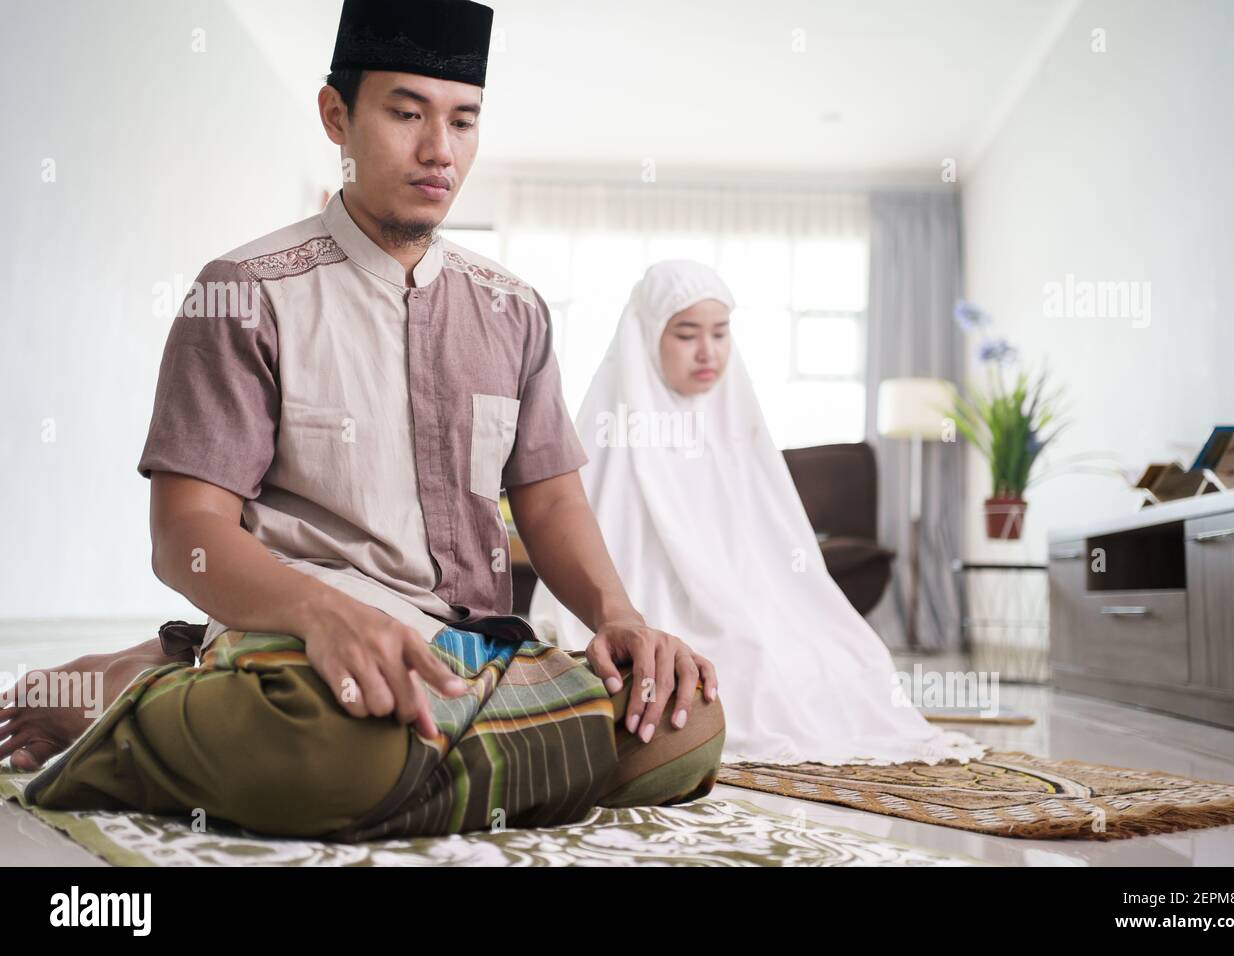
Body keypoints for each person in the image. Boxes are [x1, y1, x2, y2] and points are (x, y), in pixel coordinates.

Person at [0, 0, 724, 840]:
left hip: (475, 657)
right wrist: (319, 612)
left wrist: (621, 620)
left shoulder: (515, 311)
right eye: (406, 113)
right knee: (342, 752)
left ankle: (229, 697)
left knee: (684, 730)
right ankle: (127, 701)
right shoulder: (246, 293)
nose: (438, 151)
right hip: (305, 651)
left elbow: (551, 501)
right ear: (336, 115)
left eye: (463, 120)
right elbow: (185, 534)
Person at [529, 259, 987, 766]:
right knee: (743, 657)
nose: (708, 351)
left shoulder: (734, 419)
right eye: (686, 334)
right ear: (648, 337)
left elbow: (772, 538)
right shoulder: (610, 428)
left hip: (748, 591)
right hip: (651, 602)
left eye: (720, 333)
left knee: (847, 656)